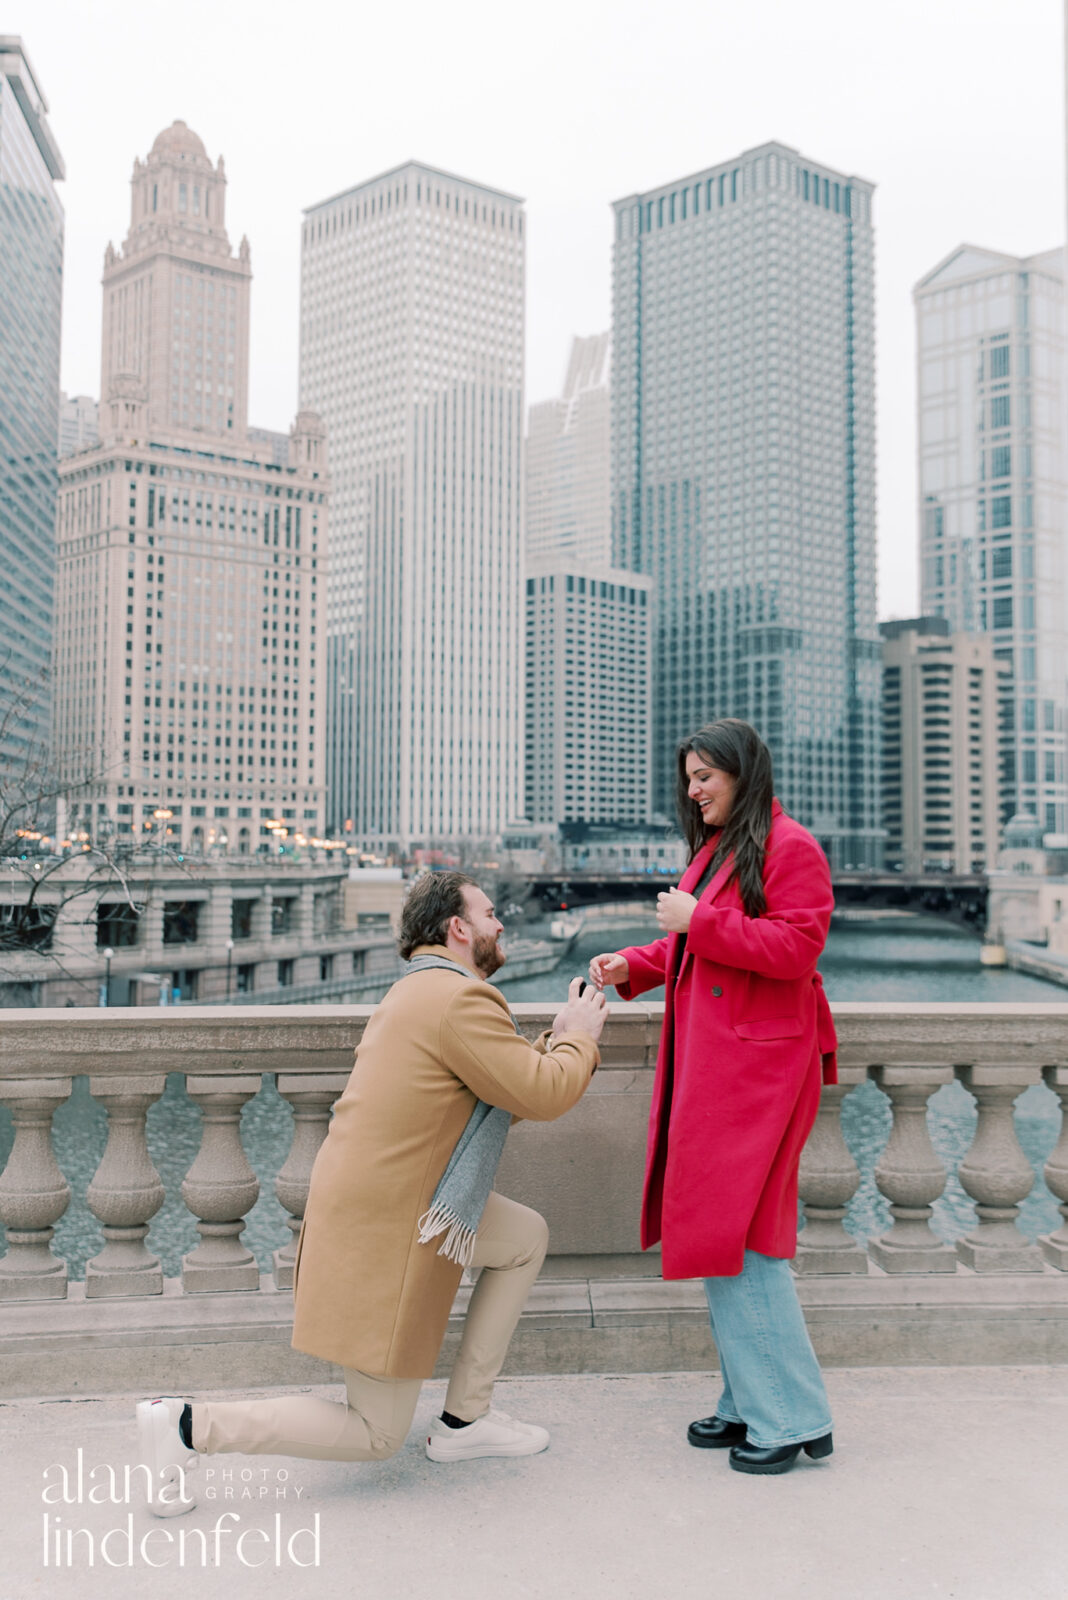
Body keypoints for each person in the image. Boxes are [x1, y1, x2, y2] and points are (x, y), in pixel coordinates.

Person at [138, 871, 606, 1515]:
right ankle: (188, 1426)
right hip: (391, 1226)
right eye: (491, 914)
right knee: (376, 1432)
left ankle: (466, 1423)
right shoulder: (459, 1000)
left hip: (383, 1205)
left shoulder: (417, 991)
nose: (503, 925)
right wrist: (579, 1032)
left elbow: (509, 1086)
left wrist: (554, 1044)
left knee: (523, 1238)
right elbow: (542, 1092)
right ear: (458, 929)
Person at [589, 718, 838, 1477]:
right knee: (733, 1234)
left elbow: (798, 946)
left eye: (705, 777)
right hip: (725, 1063)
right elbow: (694, 946)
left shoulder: (789, 846)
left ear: (742, 772)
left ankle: (788, 1419)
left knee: (741, 1237)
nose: (693, 791)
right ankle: (756, 1403)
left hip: (757, 1069)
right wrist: (632, 963)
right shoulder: (719, 848)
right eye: (689, 778)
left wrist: (701, 919)